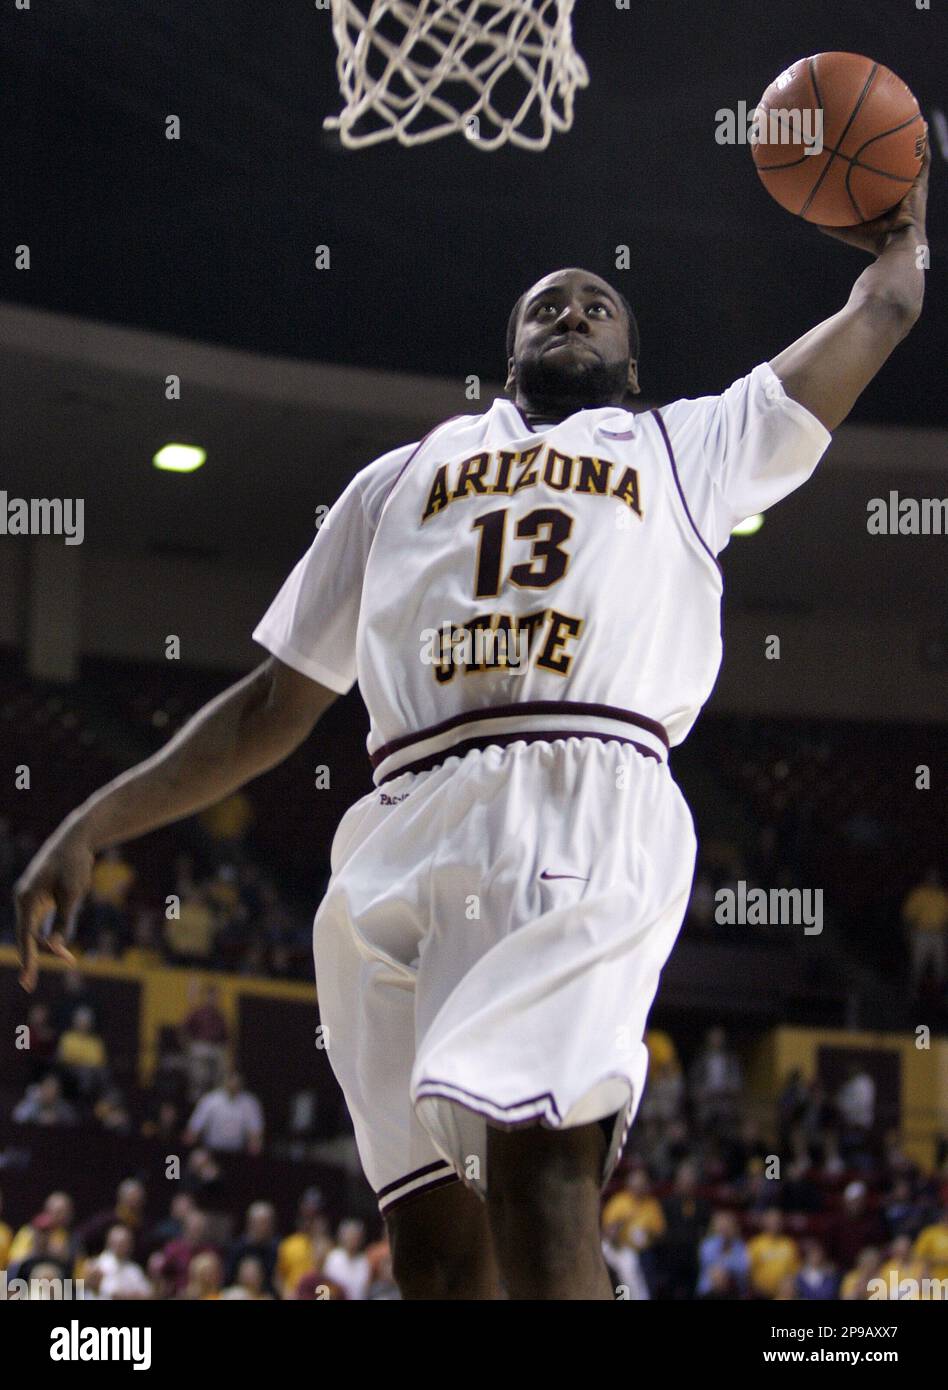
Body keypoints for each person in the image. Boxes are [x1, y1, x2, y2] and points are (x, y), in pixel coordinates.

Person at [13, 144, 931, 1301]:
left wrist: (904, 230)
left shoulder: (683, 447)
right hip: (400, 833)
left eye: (598, 302)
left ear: (630, 358)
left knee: (544, 1180)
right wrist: (95, 822)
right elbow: (270, 703)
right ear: (507, 349)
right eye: (547, 301)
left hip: (586, 802)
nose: (572, 307)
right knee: (441, 1256)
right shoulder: (398, 479)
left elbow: (883, 309)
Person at [184, 1072, 264, 1154]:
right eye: (231, 1080)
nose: (233, 1084)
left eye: (237, 1081)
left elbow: (255, 1129)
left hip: (238, 1152)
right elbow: (195, 1125)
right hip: (212, 1151)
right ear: (225, 1081)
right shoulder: (210, 1100)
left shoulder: (249, 1102)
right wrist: (191, 1140)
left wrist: (254, 1142)